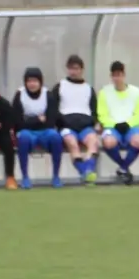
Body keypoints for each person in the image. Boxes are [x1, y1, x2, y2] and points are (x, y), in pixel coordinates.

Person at [11, 67, 65, 189]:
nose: (32, 84)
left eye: (35, 81)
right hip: (27, 133)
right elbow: (18, 122)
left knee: (56, 137)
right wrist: (37, 120)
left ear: (40, 82)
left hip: (45, 132)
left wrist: (28, 120)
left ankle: (56, 176)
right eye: (29, 81)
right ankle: (25, 177)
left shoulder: (48, 95)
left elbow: (50, 121)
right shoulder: (19, 95)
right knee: (23, 137)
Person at [98, 61, 139, 185]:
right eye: (114, 75)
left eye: (119, 75)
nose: (117, 78)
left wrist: (128, 124)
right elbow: (102, 114)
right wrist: (114, 125)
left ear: (124, 75)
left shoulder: (135, 92)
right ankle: (124, 167)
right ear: (111, 76)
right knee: (108, 142)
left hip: (131, 127)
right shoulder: (104, 92)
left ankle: (123, 168)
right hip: (113, 127)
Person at [55, 54, 100, 185]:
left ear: (82, 69)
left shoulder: (88, 89)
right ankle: (86, 173)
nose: (74, 71)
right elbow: (54, 109)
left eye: (76, 68)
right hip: (67, 126)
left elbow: (94, 111)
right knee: (72, 144)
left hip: (85, 126)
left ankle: (87, 172)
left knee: (93, 142)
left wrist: (92, 122)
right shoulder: (60, 87)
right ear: (67, 69)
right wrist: (61, 122)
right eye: (71, 68)